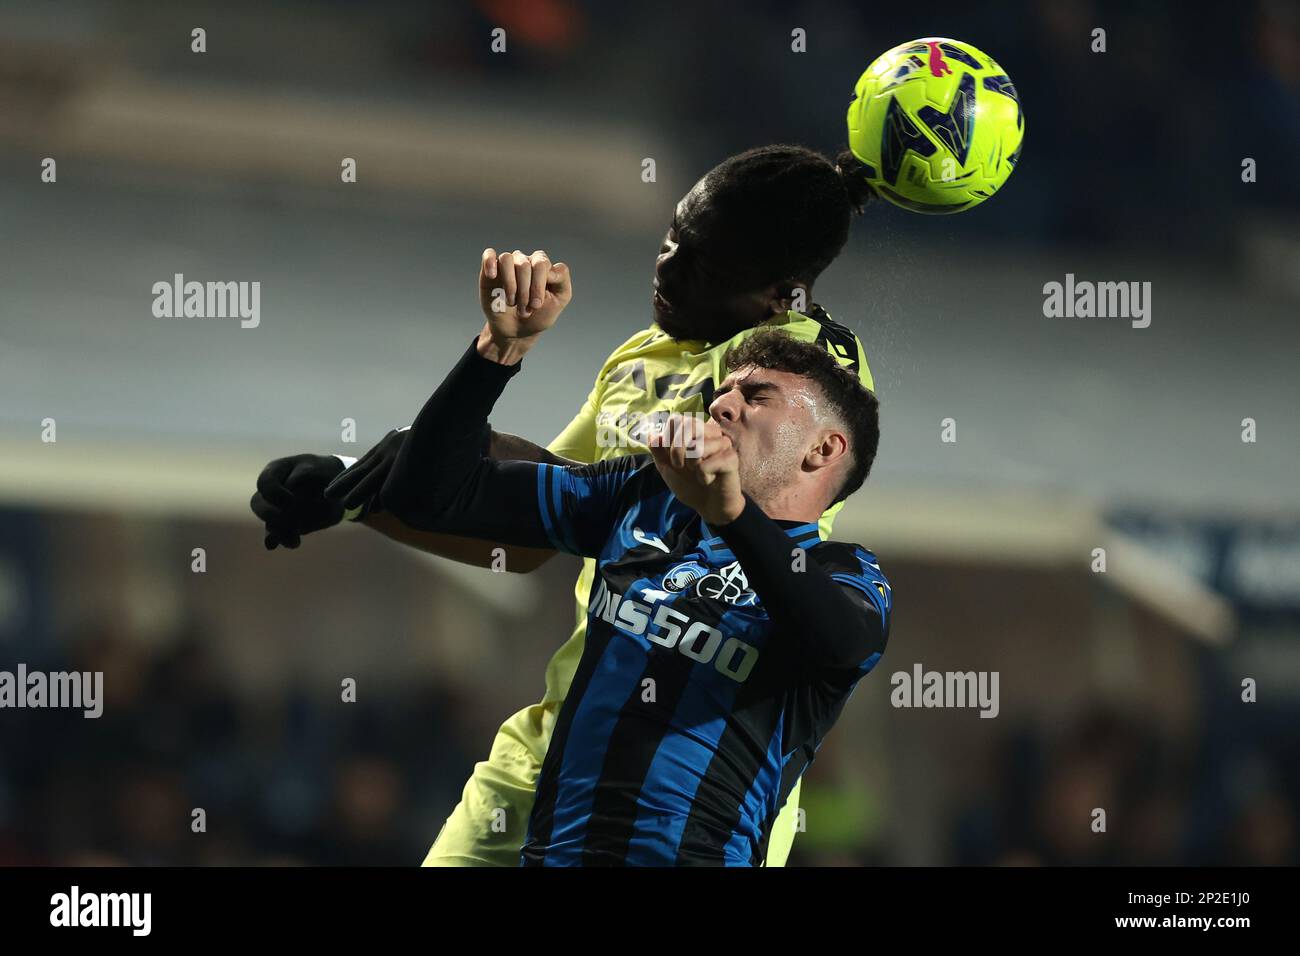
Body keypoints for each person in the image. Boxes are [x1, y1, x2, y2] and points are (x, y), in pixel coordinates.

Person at [250, 144, 880, 865]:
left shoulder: (796, 370)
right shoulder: (642, 355)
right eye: (674, 239)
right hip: (562, 742)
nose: (668, 270)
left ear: (780, 295)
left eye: (703, 265)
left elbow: (690, 494)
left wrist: (424, 456)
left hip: (693, 784)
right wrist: (360, 487)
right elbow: (540, 522)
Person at [378, 250, 890, 865]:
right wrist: (498, 351)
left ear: (823, 449)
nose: (722, 405)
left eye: (756, 395)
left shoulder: (846, 575)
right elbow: (431, 493)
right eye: (722, 390)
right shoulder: (640, 499)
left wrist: (733, 517)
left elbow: (838, 642)